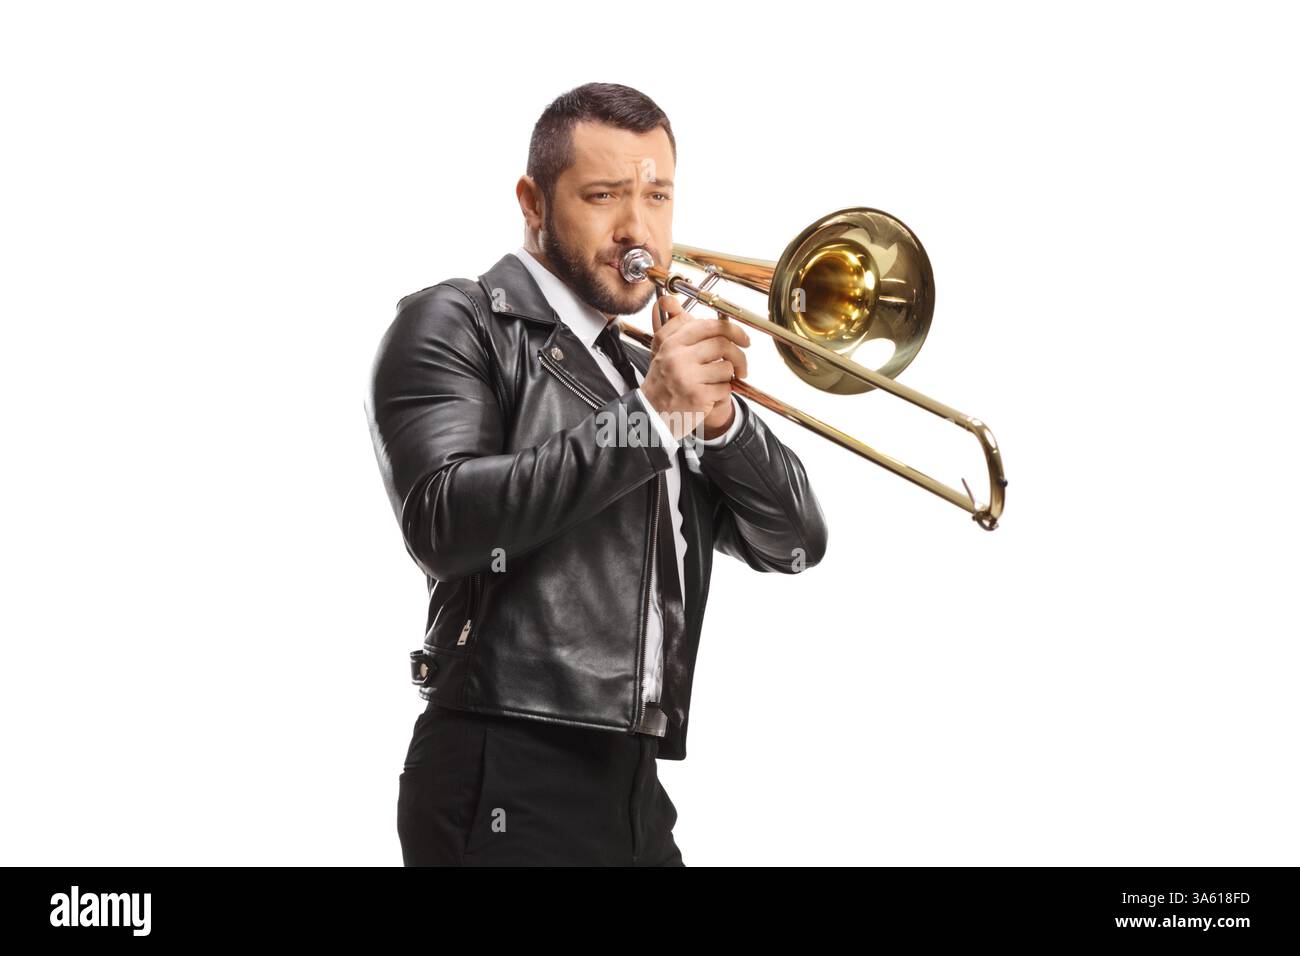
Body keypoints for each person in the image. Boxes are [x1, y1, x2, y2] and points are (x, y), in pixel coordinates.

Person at [365, 82, 828, 866]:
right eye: (604, 195)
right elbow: (444, 522)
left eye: (656, 196)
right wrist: (650, 419)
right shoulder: (457, 321)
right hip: (504, 763)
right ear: (534, 202)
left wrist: (720, 422)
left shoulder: (647, 371)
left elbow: (794, 542)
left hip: (633, 782)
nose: (635, 228)